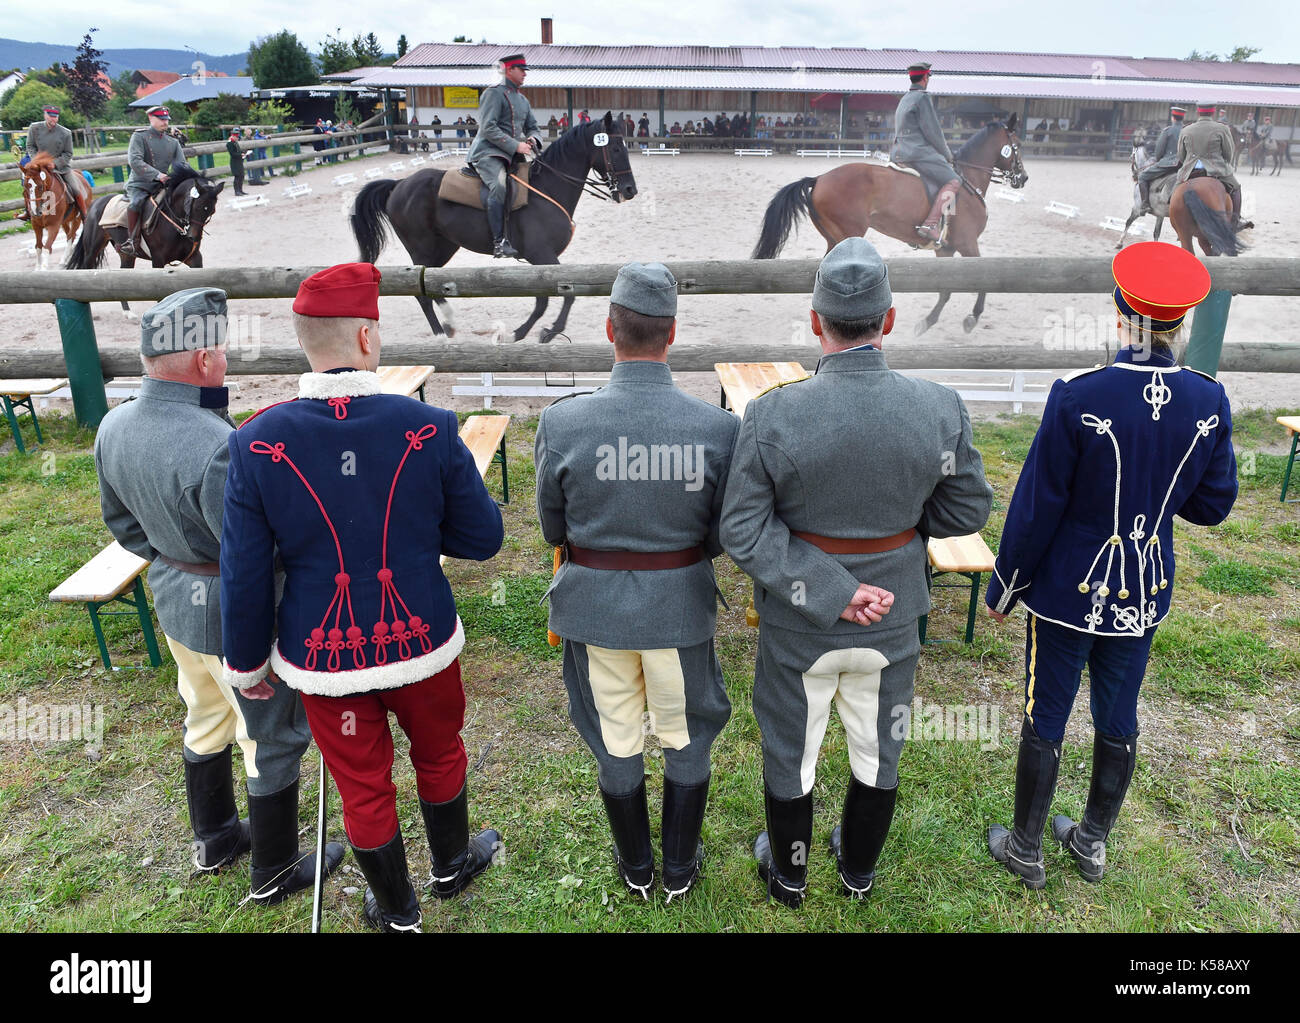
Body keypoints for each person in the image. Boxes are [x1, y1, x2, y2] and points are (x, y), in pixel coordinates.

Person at [221, 263, 506, 932]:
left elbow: (245, 570)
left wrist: (247, 663)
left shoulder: (256, 441)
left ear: (306, 342)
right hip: (423, 643)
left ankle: (400, 911)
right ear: (369, 339)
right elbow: (484, 537)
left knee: (363, 783)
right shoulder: (429, 425)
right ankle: (450, 865)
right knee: (439, 752)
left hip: (326, 659)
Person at [721, 237, 993, 906]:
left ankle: (789, 874)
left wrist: (830, 588)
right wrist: (901, 522)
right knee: (879, 751)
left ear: (816, 320)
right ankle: (858, 873)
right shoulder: (940, 408)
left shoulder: (771, 413)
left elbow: (742, 529)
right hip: (895, 612)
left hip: (799, 621)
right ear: (890, 319)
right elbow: (966, 508)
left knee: (792, 752)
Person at [985, 242, 1238, 889]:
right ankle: (1092, 842)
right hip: (1145, 587)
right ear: (1181, 323)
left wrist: (1006, 583)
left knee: (1048, 712)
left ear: (1121, 313)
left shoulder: (1077, 396)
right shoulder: (1209, 402)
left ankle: (1026, 847)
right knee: (1119, 713)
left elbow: (1037, 506)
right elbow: (1213, 506)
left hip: (1069, 589)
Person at [95, 288, 344, 906]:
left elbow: (124, 528)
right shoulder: (216, 445)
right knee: (271, 735)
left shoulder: (114, 424)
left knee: (205, 714)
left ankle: (213, 840)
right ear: (204, 360)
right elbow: (255, 556)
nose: (228, 360)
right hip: (231, 613)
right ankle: (276, 869)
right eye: (223, 351)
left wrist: (175, 559)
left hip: (173, 600)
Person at [534, 264, 738, 903]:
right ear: (672, 333)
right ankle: (677, 869)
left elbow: (550, 526)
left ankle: (638, 868)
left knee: (615, 732)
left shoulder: (563, 422)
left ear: (608, 329)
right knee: (684, 732)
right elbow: (723, 532)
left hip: (595, 610)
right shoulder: (718, 428)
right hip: (678, 607)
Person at [466, 52, 538, 258]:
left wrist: (533, 139)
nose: (525, 74)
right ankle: (499, 242)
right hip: (488, 153)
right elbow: (488, 127)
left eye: (525, 70)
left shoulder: (523, 100)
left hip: (513, 155)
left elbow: (533, 127)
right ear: (509, 70)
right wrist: (516, 145)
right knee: (499, 185)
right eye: (521, 70)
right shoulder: (493, 94)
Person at [893, 62, 960, 244]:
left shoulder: (905, 98)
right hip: (917, 153)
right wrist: (947, 155)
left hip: (898, 151)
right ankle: (930, 225)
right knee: (954, 180)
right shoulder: (922, 98)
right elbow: (933, 133)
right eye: (928, 77)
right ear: (925, 77)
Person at [121, 105, 188, 257]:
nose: (165, 122)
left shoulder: (173, 142)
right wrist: (158, 175)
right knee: (136, 203)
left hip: (163, 185)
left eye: (166, 119)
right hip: (140, 184)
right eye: (161, 119)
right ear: (151, 118)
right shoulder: (139, 137)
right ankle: (132, 241)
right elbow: (135, 161)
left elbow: (181, 164)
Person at [15, 105, 90, 222]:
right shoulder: (34, 128)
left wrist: (55, 163)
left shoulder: (66, 133)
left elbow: (68, 153)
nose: (53, 119)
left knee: (75, 188)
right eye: (50, 116)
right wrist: (37, 161)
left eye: (55, 117)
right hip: (38, 167)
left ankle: (84, 214)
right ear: (45, 115)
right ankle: (27, 211)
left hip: (60, 167)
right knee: (29, 185)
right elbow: (30, 146)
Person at [1176, 101, 1243, 227]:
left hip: (1190, 170)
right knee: (1236, 188)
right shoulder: (1222, 128)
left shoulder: (1186, 129)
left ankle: (1177, 220)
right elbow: (1229, 154)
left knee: (1174, 192)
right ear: (1213, 112)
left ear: (1198, 112)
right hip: (1215, 170)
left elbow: (1181, 155)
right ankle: (1236, 220)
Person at [1137, 106, 1186, 213]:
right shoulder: (1188, 131)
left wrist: (1159, 160)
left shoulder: (1168, 131)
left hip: (1169, 164)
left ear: (1173, 118)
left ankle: (1145, 205)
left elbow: (1159, 151)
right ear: (1182, 118)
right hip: (1185, 165)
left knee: (1142, 177)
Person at [225, 129, 246, 196]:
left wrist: (243, 152)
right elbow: (233, 154)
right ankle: (236, 191)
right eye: (236, 137)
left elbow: (238, 151)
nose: (237, 138)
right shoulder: (229, 143)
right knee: (237, 176)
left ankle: (240, 190)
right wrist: (240, 155)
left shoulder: (235, 142)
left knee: (242, 176)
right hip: (234, 162)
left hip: (239, 161)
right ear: (233, 136)